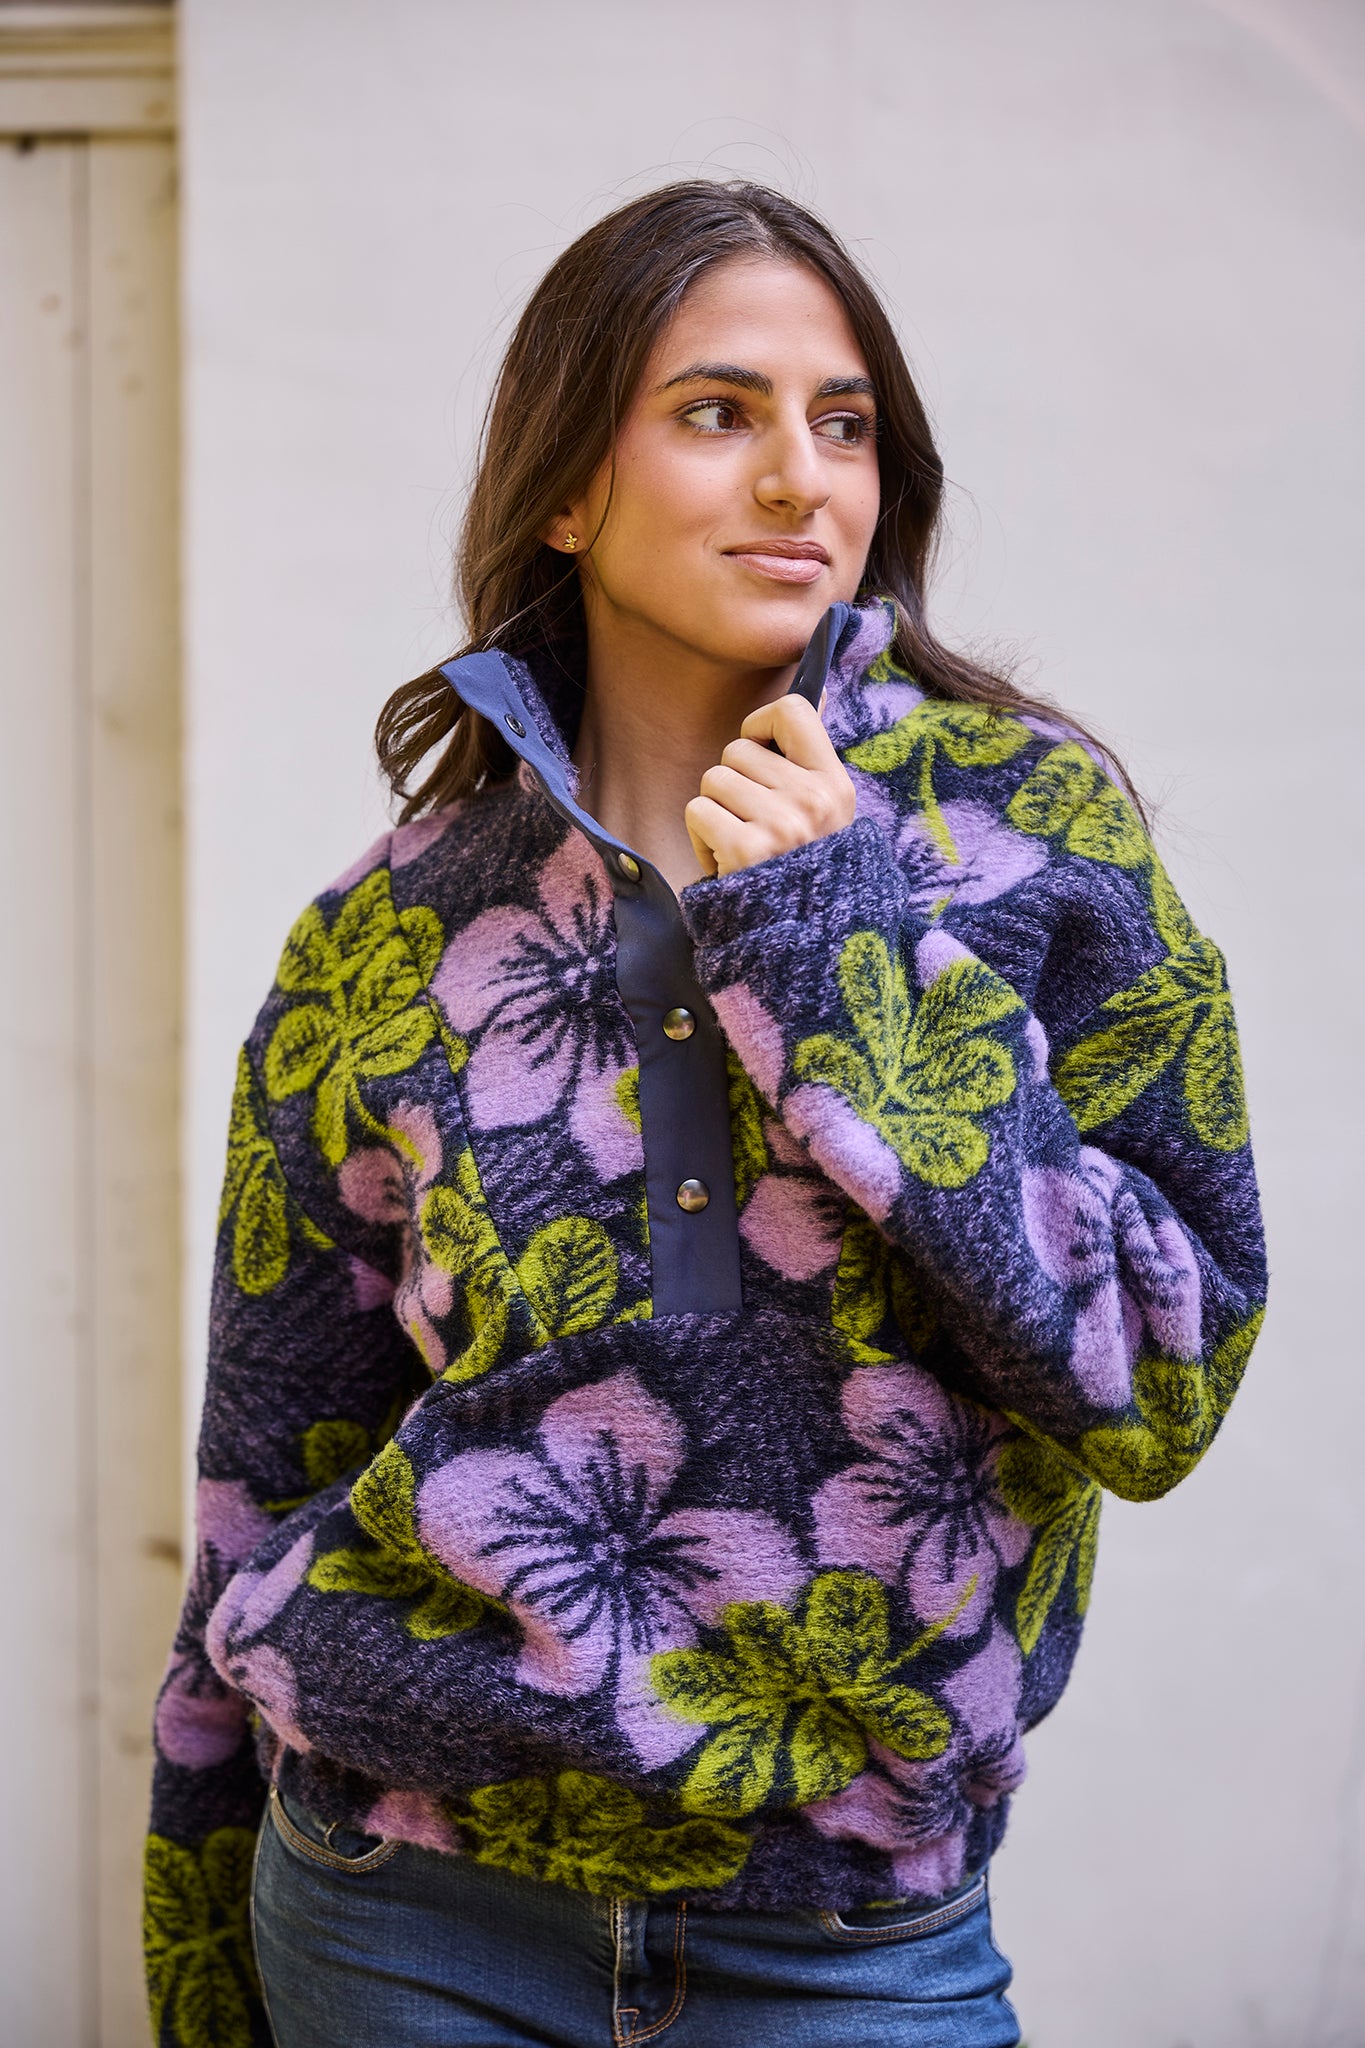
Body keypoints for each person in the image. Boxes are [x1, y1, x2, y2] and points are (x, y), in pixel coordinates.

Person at [143, 180, 1266, 2048]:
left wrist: (829, 945)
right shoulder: (386, 929)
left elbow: (1161, 1385)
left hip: (849, 1947)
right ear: (566, 490)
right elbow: (260, 1472)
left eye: (843, 422)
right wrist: (198, 1976)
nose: (796, 477)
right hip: (398, 1909)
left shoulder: (1031, 833)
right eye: (716, 411)